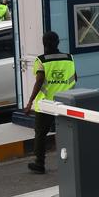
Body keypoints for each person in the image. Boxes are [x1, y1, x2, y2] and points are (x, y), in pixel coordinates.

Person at [24, 31, 75, 174]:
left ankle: (39, 164)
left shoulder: (41, 60)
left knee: (40, 134)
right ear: (58, 42)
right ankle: (70, 162)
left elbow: (39, 81)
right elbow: (74, 78)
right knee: (66, 133)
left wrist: (30, 102)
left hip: (46, 105)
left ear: (43, 44)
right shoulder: (69, 58)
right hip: (65, 102)